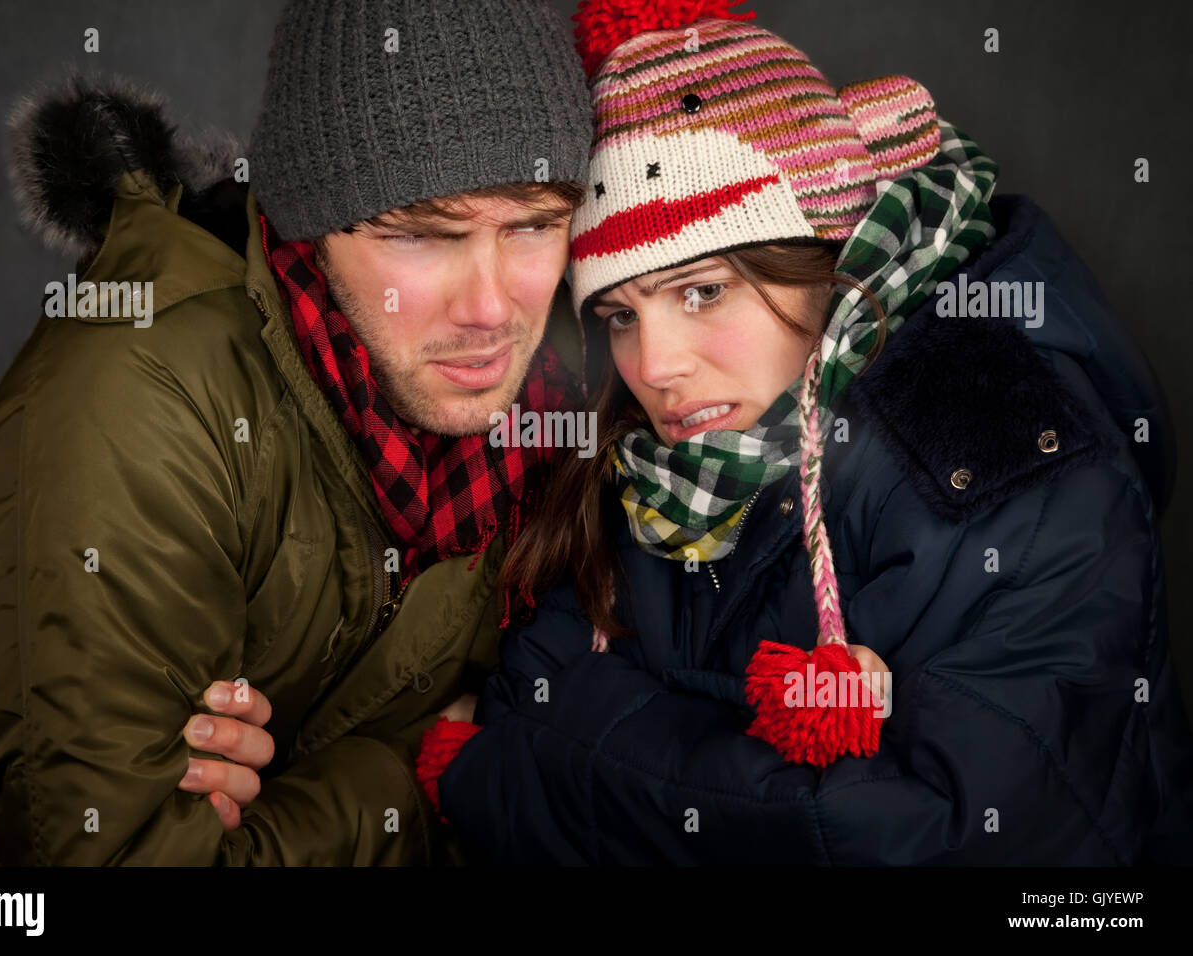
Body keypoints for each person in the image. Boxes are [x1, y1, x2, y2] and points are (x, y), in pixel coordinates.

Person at [415, 0, 1193, 865]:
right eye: (619, 314)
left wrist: (515, 767)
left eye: (703, 290)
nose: (656, 364)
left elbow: (914, 840)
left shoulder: (1016, 468)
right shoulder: (670, 465)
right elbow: (540, 664)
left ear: (832, 259)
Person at [0, 0, 593, 865]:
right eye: (423, 235)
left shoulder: (560, 412)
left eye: (533, 224)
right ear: (309, 219)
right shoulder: (142, 402)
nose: (491, 308)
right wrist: (415, 777)